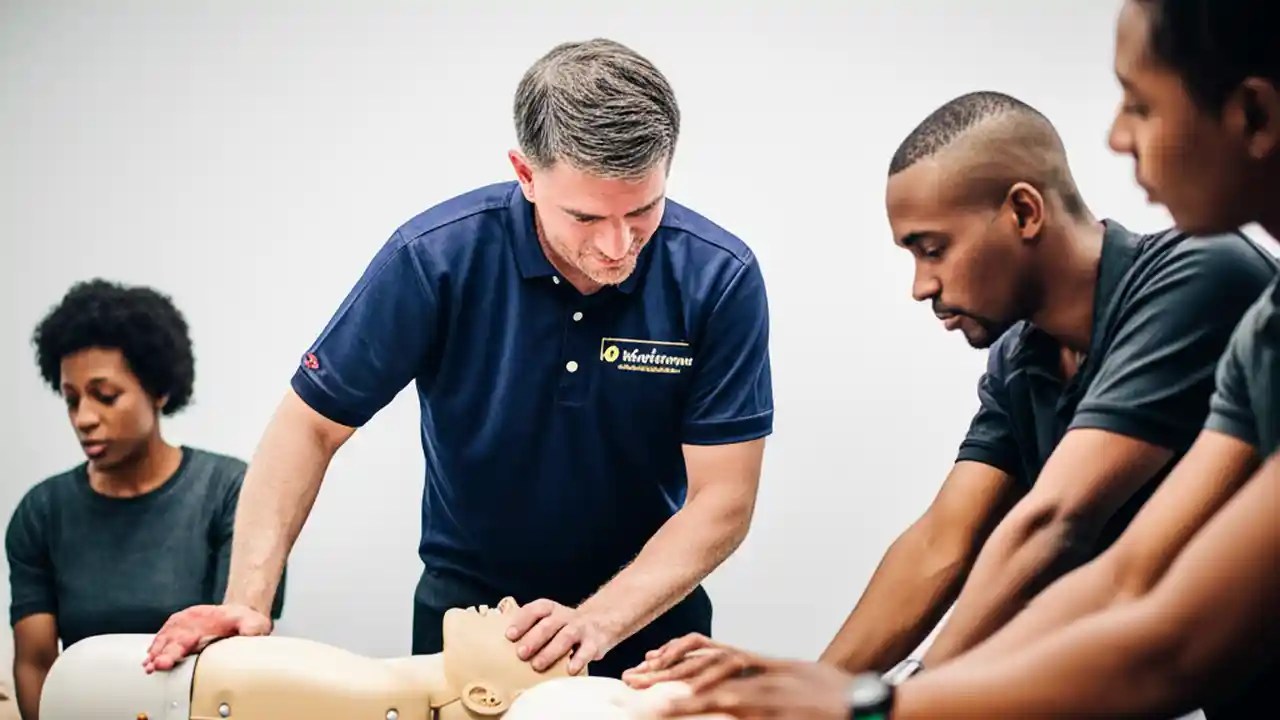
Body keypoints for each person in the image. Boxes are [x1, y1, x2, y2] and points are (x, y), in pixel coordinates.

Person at [643, 0, 1280, 717]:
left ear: (1024, 213)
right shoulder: (1024, 357)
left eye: (931, 248)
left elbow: (1053, 525)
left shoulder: (1199, 275)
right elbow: (943, 544)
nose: (922, 286)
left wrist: (877, 703)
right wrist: (814, 692)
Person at [143, 37, 773, 680]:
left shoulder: (717, 278)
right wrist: (246, 602)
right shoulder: (436, 259)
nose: (618, 245)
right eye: (586, 217)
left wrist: (596, 622)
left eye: (643, 210)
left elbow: (722, 498)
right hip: (471, 618)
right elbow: (310, 425)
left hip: (649, 625)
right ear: (526, 175)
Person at [6, 279, 285, 720]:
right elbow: (36, 663)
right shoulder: (41, 514)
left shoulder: (229, 491)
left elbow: (233, 661)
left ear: (158, 390)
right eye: (71, 400)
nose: (84, 419)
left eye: (106, 396)